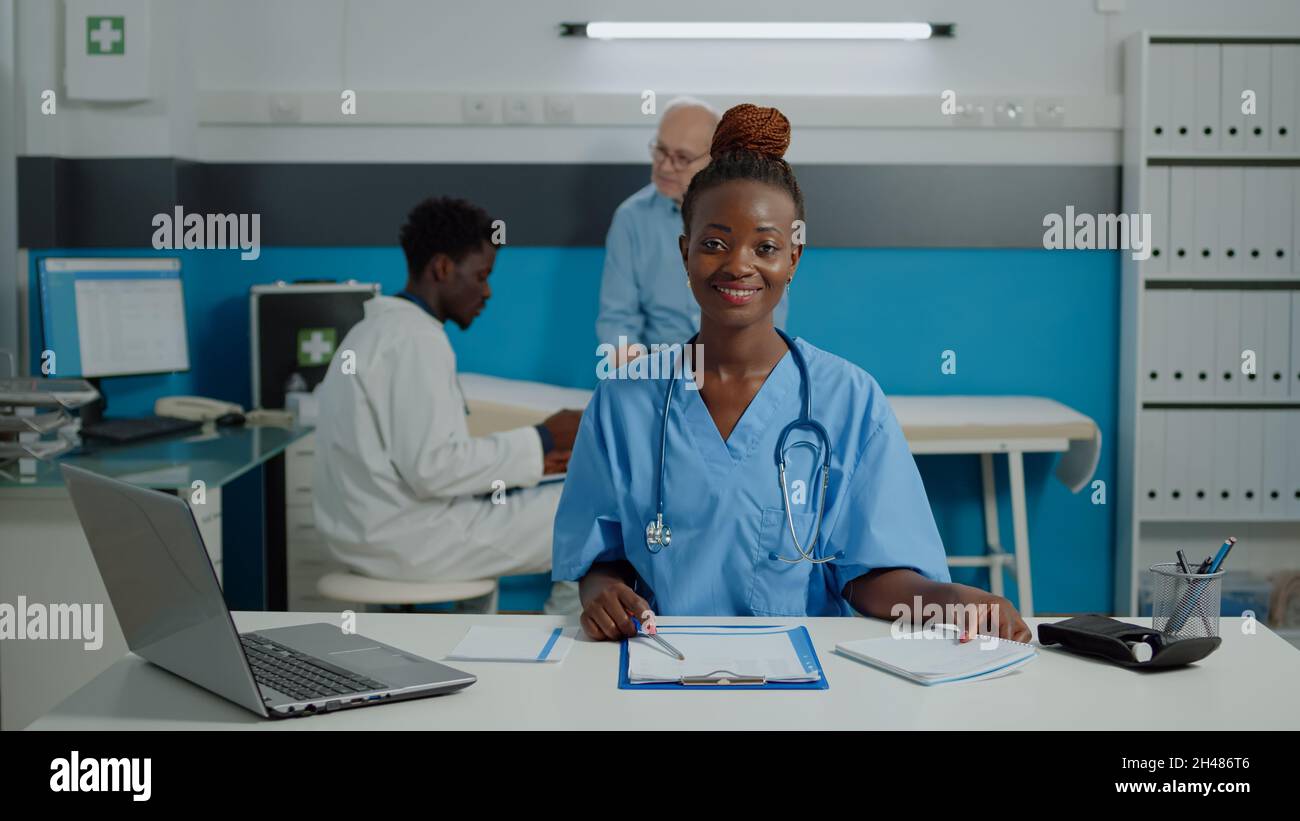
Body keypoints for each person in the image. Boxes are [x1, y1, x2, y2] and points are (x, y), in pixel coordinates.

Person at [553, 105, 1031, 641]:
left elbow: (868, 576)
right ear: (685, 253)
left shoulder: (849, 400)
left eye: (766, 246)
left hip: (803, 681)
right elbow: (602, 556)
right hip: (658, 668)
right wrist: (599, 592)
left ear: (794, 258)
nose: (738, 264)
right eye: (714, 243)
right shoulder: (625, 401)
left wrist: (949, 598)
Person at [314, 196, 583, 612]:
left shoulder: (374, 332)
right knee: (594, 507)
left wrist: (532, 459)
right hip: (409, 541)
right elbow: (434, 468)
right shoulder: (417, 339)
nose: (488, 291)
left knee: (555, 495)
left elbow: (419, 459)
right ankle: (566, 636)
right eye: (481, 275)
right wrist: (545, 437)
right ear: (442, 268)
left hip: (368, 532)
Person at [597, 97, 789, 362]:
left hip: (735, 367)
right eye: (661, 151)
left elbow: (767, 317)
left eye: (682, 158)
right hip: (658, 370)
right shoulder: (632, 218)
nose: (664, 166)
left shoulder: (754, 213)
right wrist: (637, 381)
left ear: (715, 159)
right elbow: (618, 321)